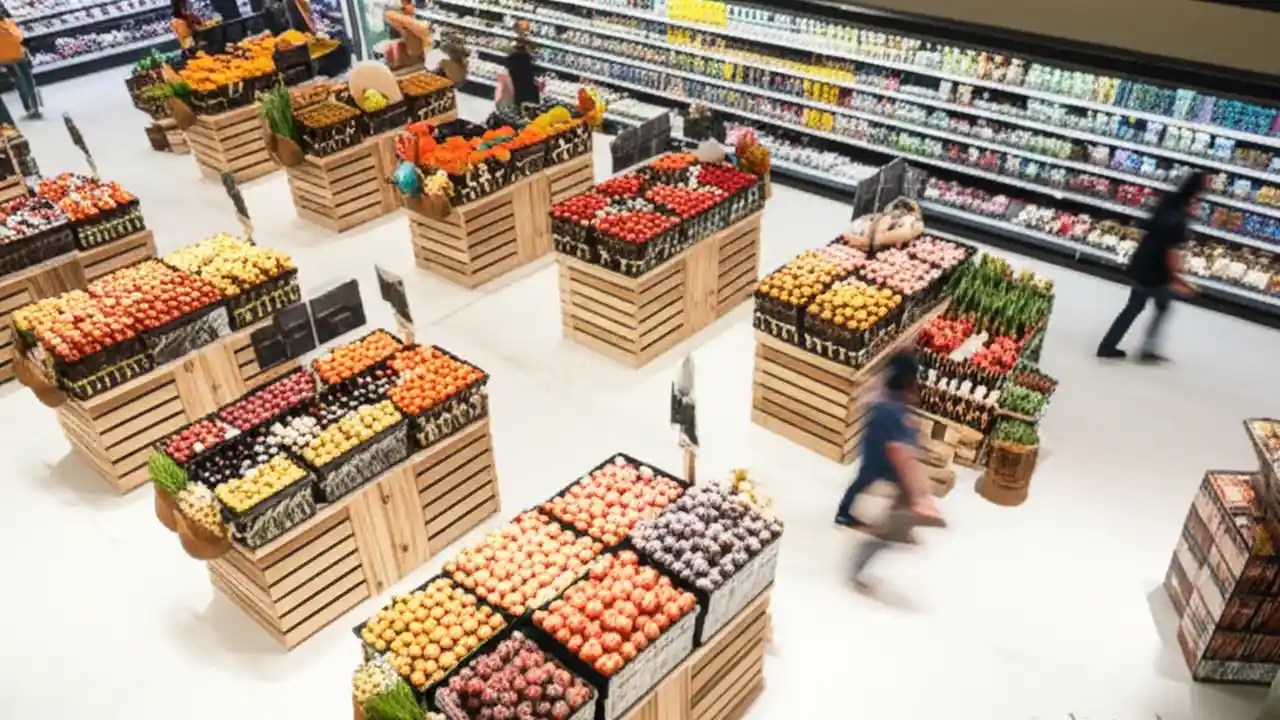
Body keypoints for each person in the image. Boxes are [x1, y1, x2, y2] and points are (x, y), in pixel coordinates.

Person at [834, 351, 945, 585]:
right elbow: (900, 453)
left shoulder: (889, 401)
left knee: (864, 483)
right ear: (908, 381)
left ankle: (849, 517)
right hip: (886, 467)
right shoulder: (892, 411)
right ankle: (859, 559)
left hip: (878, 461)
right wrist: (919, 495)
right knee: (890, 522)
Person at [1097, 170, 1204, 362]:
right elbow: (1170, 253)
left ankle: (1108, 345)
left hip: (1144, 261)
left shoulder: (1168, 202)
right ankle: (1145, 350)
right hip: (1157, 272)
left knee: (1135, 307)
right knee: (1157, 307)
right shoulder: (1178, 219)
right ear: (1193, 196)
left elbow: (1148, 227)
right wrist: (1182, 282)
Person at [0, 1, 40, 119]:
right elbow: (19, 35)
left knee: (19, 80)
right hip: (17, 52)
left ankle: (29, 108)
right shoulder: (7, 22)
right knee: (27, 79)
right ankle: (34, 108)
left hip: (4, 56)